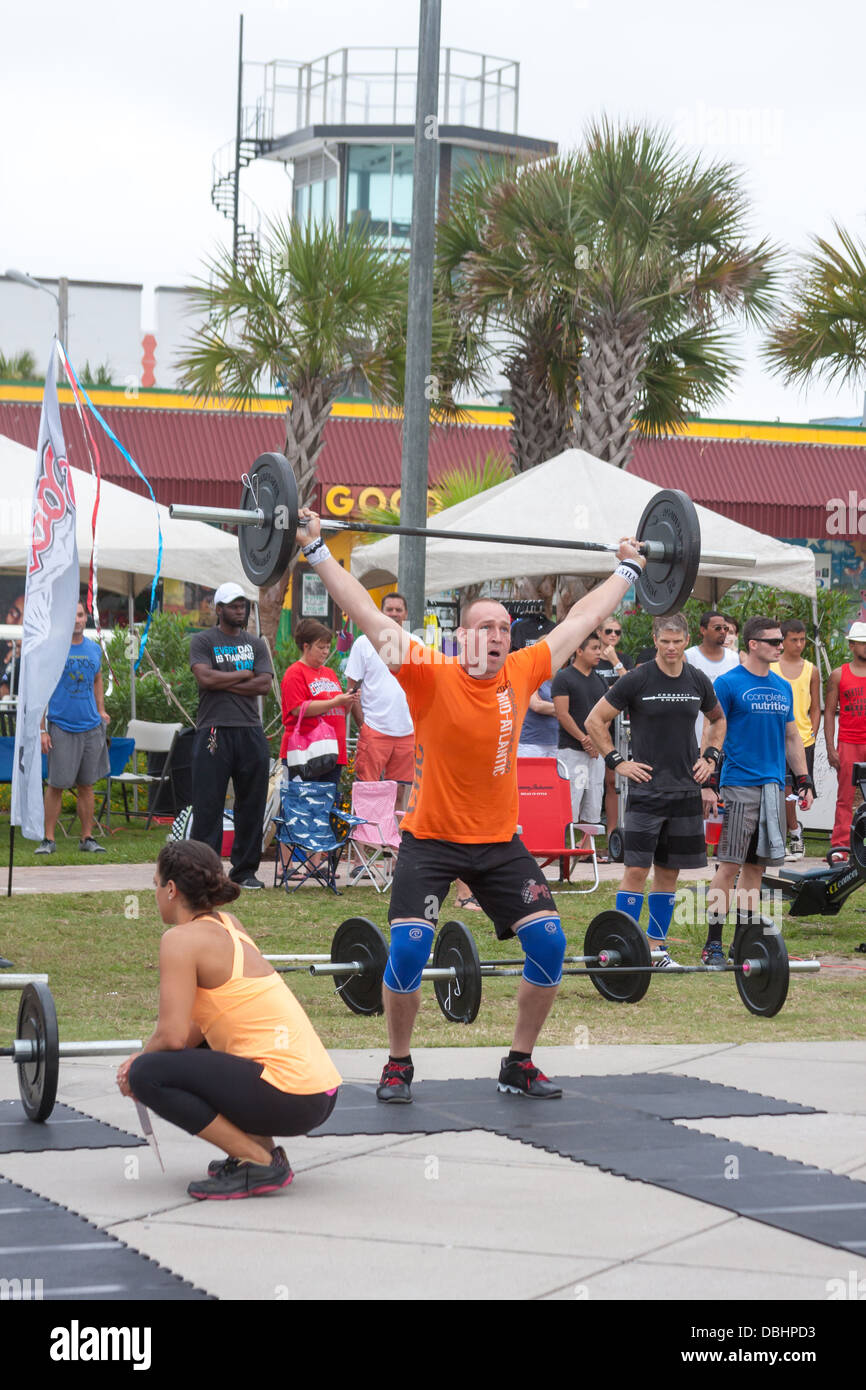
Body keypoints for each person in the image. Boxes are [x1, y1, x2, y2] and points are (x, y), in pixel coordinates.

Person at [294, 505, 647, 1103]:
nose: (496, 637)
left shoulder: (524, 668)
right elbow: (363, 610)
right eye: (485, 627)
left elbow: (585, 614)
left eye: (505, 629)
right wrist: (316, 549)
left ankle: (518, 1061)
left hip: (497, 842)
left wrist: (628, 571)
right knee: (407, 950)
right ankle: (399, 1063)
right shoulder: (427, 673)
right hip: (430, 838)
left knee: (551, 944)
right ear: (462, 635)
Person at [117, 840, 340, 1200]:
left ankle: (257, 1160)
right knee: (191, 1050)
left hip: (291, 1094)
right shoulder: (229, 924)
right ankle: (258, 1150)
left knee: (149, 1074)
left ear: (171, 890)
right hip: (318, 1093)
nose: (155, 892)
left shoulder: (179, 940)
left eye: (155, 883)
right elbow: (195, 1032)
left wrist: (136, 1066)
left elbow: (171, 1036)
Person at [585, 613, 725, 966]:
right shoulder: (637, 678)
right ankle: (625, 948)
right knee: (635, 870)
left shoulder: (697, 679)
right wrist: (618, 761)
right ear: (655, 639)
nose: (672, 648)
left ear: (687, 638)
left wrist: (710, 757)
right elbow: (594, 720)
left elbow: (718, 719)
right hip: (647, 791)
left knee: (668, 874)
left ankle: (656, 948)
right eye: (665, 641)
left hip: (685, 791)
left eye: (678, 641)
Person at [704, 616, 814, 966]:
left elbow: (792, 736)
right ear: (752, 644)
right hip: (739, 785)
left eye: (781, 641)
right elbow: (711, 730)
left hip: (773, 788)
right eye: (773, 642)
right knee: (729, 866)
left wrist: (803, 778)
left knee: (755, 869)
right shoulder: (728, 683)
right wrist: (708, 777)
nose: (780, 646)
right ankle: (713, 944)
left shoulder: (782, 686)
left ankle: (744, 943)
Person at [189, 582, 273, 890]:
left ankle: (245, 871)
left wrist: (221, 681)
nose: (240, 610)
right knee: (208, 805)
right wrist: (241, 675)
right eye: (233, 606)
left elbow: (263, 684)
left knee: (251, 805)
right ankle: (206, 873)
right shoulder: (203, 640)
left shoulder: (257, 644)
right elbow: (204, 677)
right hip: (214, 730)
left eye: (243, 605)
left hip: (250, 730)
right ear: (219, 609)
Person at [35, 600, 111, 855]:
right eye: (71, 615)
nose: (76, 620)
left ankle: (87, 838)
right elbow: (42, 689)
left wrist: (101, 711)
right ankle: (48, 840)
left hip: (90, 726)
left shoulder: (94, 649)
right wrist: (43, 728)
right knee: (56, 784)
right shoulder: (54, 649)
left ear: (86, 617)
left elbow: (98, 679)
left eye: (80, 615)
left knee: (86, 785)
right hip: (62, 726)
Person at [344, 593, 414, 800]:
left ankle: (395, 834)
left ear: (406, 614)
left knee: (400, 795)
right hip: (374, 730)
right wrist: (364, 725)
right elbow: (351, 689)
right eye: (389, 609)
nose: (393, 614)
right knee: (366, 793)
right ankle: (365, 833)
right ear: (380, 613)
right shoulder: (363, 643)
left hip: (408, 733)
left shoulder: (416, 642)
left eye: (398, 610)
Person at [280, 618, 355, 787]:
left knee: (327, 806)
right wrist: (335, 702)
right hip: (305, 753)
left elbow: (340, 713)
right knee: (302, 807)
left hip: (333, 751)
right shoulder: (295, 672)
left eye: (328, 647)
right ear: (306, 646)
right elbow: (298, 709)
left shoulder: (329, 672)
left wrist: (348, 701)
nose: (325, 652)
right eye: (321, 647)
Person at [770, 619, 821, 860]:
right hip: (775, 739)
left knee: (798, 791)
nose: (799, 644)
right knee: (781, 788)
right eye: (794, 640)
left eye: (802, 640)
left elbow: (815, 706)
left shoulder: (811, 669)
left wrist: (813, 730)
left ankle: (793, 831)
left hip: (802, 740)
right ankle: (792, 830)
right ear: (783, 640)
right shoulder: (772, 667)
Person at [551, 633, 608, 829]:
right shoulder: (563, 678)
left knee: (593, 801)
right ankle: (564, 848)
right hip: (572, 751)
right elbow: (562, 714)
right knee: (571, 800)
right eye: (594, 648)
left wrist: (596, 740)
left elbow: (606, 715)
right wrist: (584, 739)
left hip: (596, 753)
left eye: (599, 648)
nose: (599, 652)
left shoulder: (600, 681)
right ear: (579, 650)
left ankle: (585, 850)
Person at [824, 621, 866, 865]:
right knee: (846, 797)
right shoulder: (839, 675)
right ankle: (840, 846)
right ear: (851, 645)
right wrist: (830, 747)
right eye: (862, 643)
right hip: (849, 741)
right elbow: (829, 713)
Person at [595, 615, 634, 840]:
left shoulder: (624, 659)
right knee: (591, 783)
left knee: (613, 781)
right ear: (599, 633)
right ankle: (584, 831)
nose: (613, 636)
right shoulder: (590, 655)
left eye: (617, 632)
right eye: (609, 631)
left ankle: (612, 831)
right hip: (596, 723)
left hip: (617, 726)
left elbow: (631, 685)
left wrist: (615, 663)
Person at [685, 611, 740, 742]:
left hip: (727, 741)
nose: (723, 631)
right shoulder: (689, 657)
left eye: (725, 628)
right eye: (717, 628)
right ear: (703, 630)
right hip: (695, 738)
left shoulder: (734, 658)